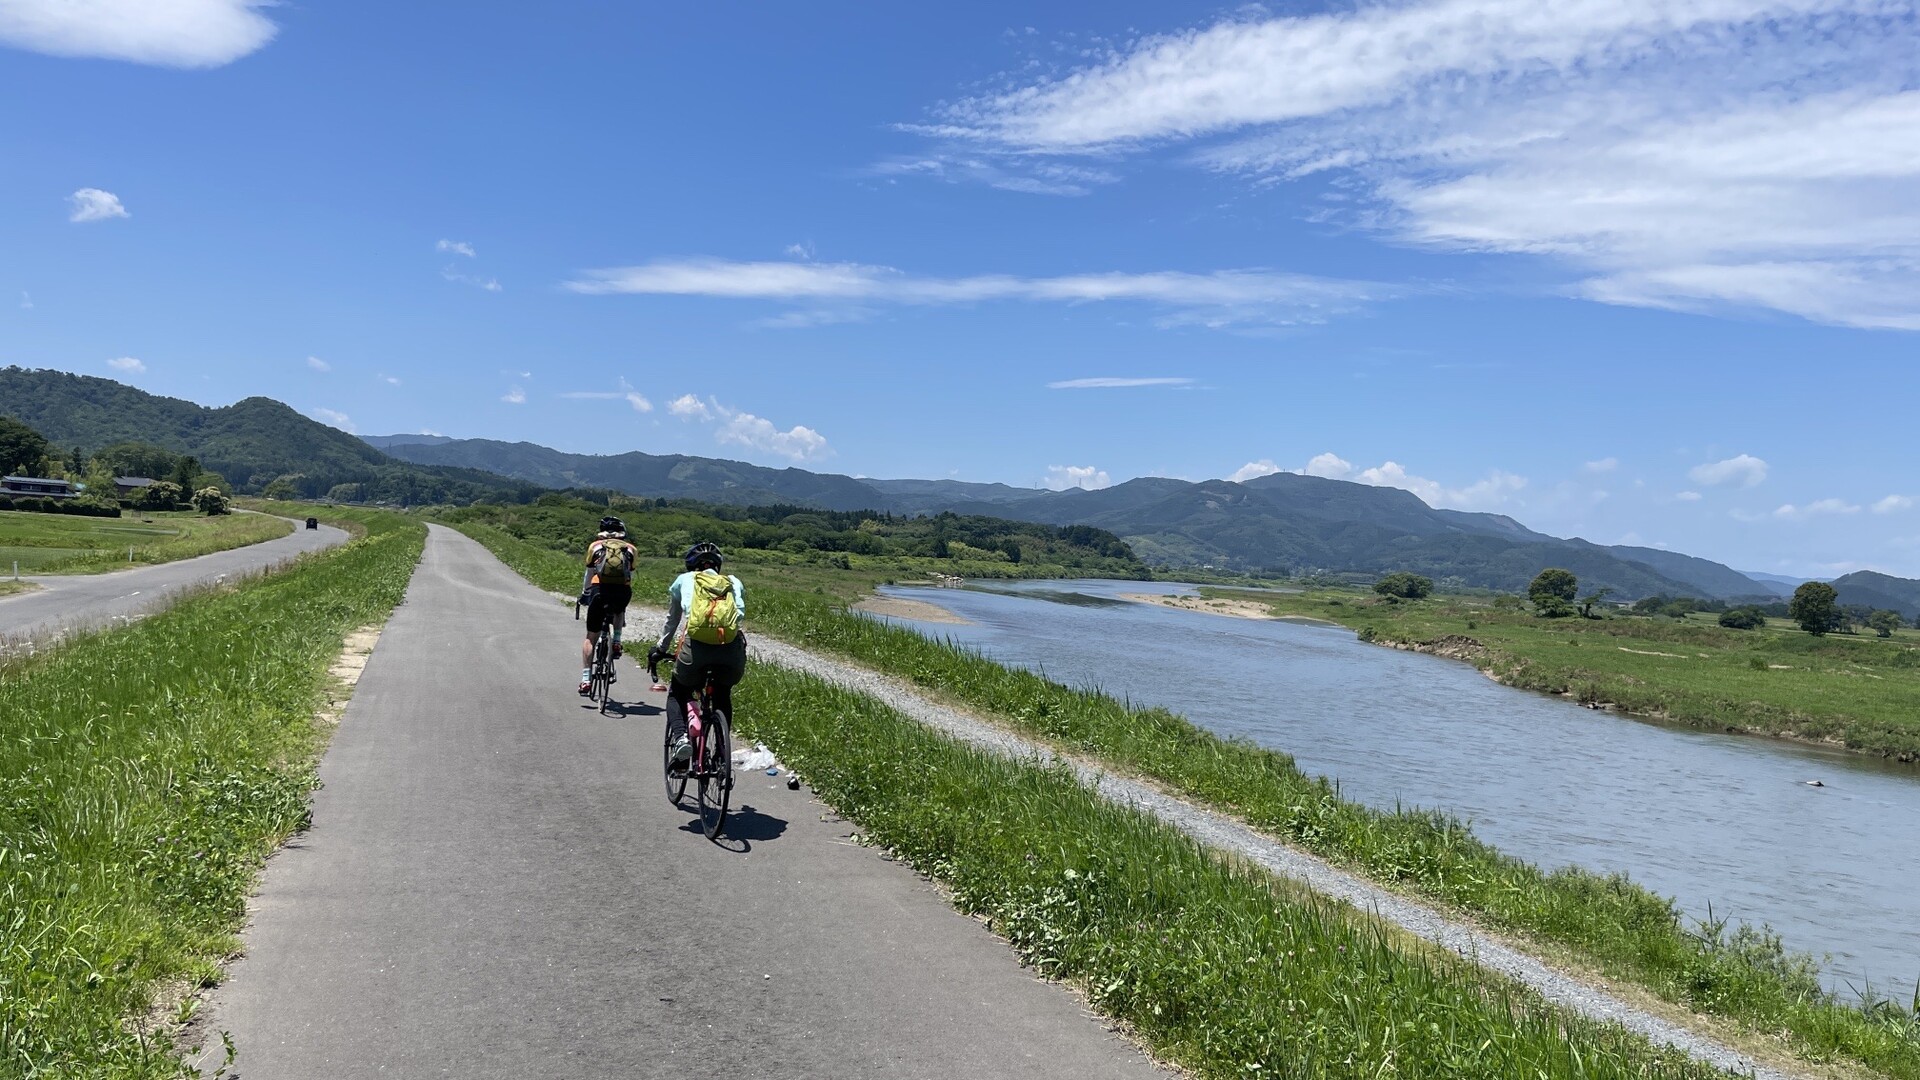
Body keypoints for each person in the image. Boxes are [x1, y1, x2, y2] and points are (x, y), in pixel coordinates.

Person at [648, 541, 746, 772]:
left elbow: (672, 621)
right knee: (723, 693)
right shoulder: (733, 582)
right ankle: (722, 751)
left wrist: (660, 649)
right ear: (718, 566)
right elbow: (739, 614)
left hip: (696, 649)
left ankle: (681, 739)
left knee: (677, 692)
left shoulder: (684, 580)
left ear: (691, 565)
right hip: (730, 650)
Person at [577, 516, 637, 695]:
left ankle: (586, 679)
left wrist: (585, 593)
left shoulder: (595, 546)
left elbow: (589, 574)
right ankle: (617, 640)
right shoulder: (631, 549)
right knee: (619, 610)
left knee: (591, 637)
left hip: (598, 591)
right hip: (621, 591)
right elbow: (630, 576)